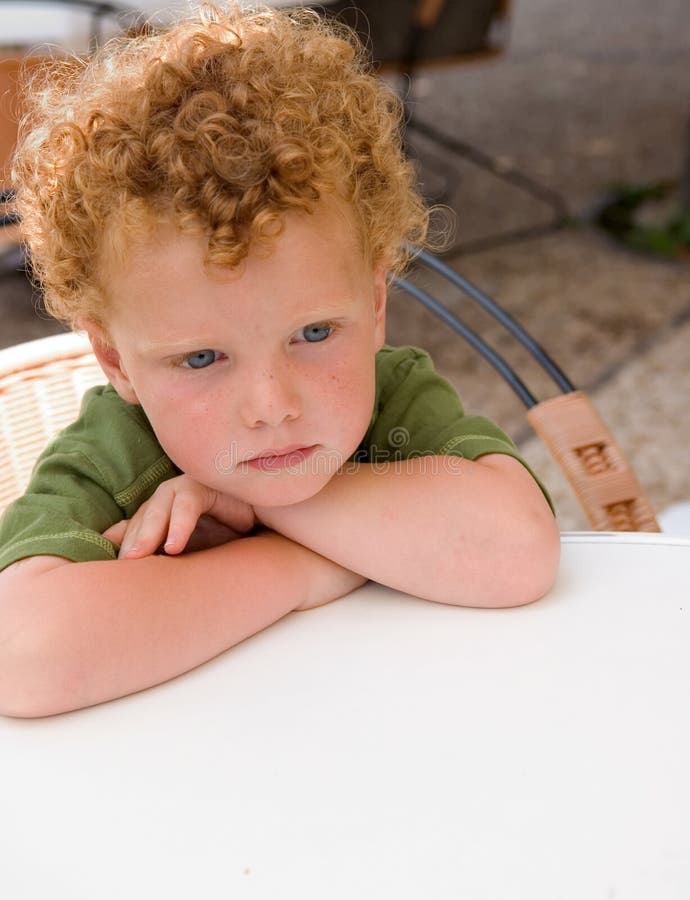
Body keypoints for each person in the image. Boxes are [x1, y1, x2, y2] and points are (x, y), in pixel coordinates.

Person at [0, 3, 559, 718]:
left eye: (315, 333)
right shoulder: (119, 453)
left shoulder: (391, 401)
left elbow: (517, 551)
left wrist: (255, 503)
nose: (272, 404)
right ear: (114, 359)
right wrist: (302, 565)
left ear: (376, 304)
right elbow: (23, 656)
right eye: (202, 357)